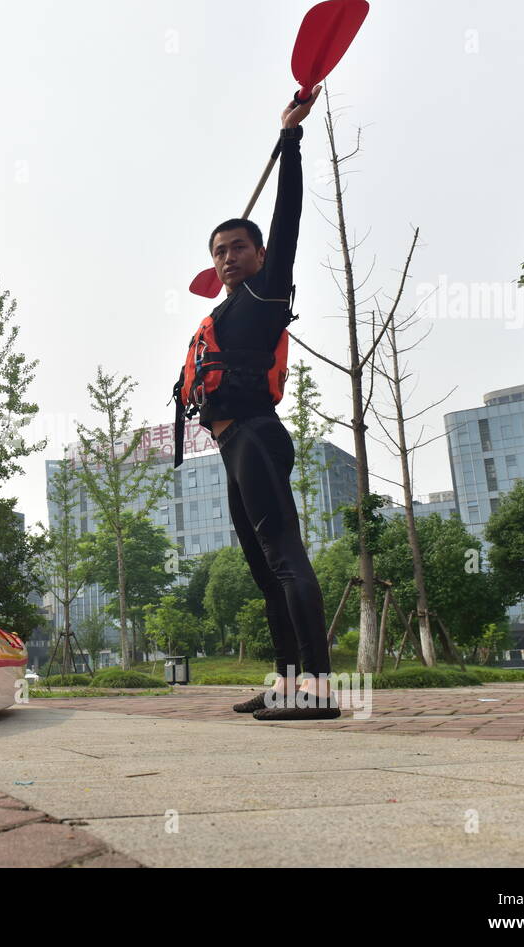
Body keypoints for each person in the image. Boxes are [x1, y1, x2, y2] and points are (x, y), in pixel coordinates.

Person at [185, 85, 339, 720]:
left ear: (260, 256)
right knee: (261, 567)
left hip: (256, 434)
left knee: (285, 557)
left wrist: (290, 138)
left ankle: (320, 687)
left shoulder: (267, 294)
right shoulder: (223, 312)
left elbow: (290, 213)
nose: (227, 258)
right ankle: (285, 680)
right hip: (230, 446)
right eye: (219, 252)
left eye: (238, 248)